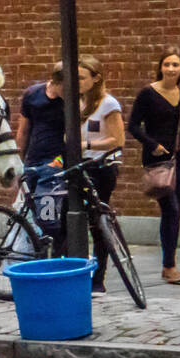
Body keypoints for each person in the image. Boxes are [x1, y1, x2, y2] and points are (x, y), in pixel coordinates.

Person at [128, 47, 180, 284]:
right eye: (167, 64)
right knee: (171, 210)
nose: (171, 69)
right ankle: (169, 266)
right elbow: (133, 126)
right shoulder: (147, 94)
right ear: (160, 67)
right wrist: (152, 144)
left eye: (175, 65)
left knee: (174, 214)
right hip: (156, 159)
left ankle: (169, 265)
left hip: (178, 159)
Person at [78, 55, 124, 293]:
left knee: (98, 221)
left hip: (103, 166)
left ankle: (99, 278)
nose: (78, 82)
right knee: (76, 217)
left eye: (82, 78)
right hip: (81, 165)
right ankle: (78, 269)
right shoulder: (77, 103)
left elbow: (118, 140)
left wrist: (87, 146)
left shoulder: (109, 104)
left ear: (96, 79)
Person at [17, 63, 65, 167]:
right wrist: (19, 160)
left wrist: (58, 162)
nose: (68, 92)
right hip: (33, 158)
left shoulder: (74, 102)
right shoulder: (32, 94)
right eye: (65, 88)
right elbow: (23, 131)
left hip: (58, 160)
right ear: (56, 82)